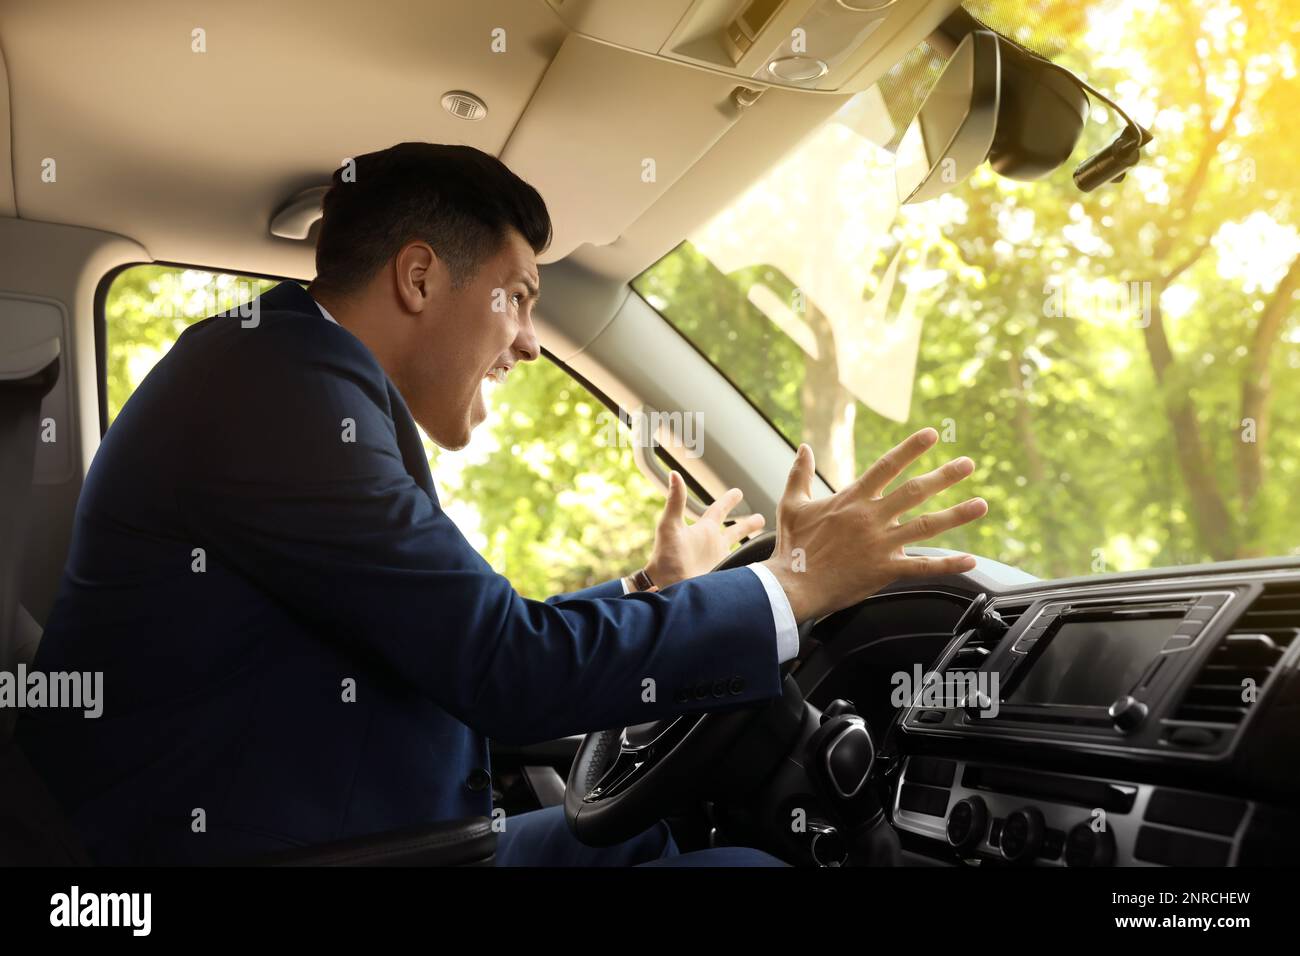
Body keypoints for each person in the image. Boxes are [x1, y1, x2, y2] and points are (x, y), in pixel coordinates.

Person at [17, 143, 986, 866]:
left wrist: (649, 589)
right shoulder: (274, 390)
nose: (527, 340)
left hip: (363, 830)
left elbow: (461, 638)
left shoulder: (293, 374)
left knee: (645, 834)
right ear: (419, 277)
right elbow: (506, 667)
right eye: (517, 297)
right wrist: (794, 585)